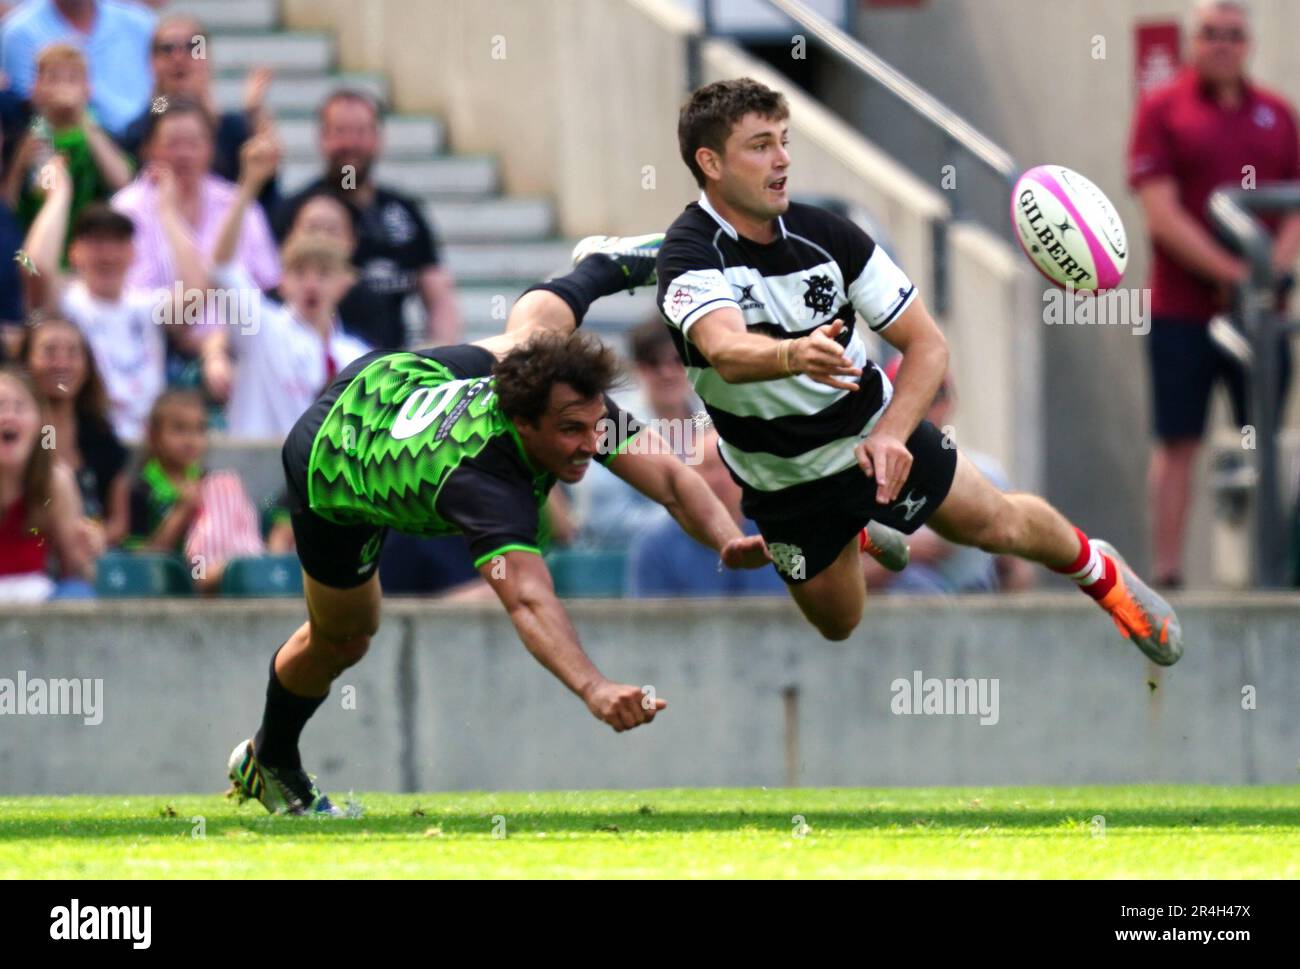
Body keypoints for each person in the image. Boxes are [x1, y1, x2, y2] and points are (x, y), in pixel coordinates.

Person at [639, 76, 1180, 661]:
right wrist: (794, 353)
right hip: (780, 482)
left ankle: (1104, 577)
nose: (783, 159)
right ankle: (864, 529)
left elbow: (928, 345)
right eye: (761, 145)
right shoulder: (689, 253)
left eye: (785, 141)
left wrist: (893, 435)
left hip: (866, 433)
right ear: (710, 162)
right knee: (839, 621)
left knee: (993, 523)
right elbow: (725, 350)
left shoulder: (830, 237)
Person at [226, 251, 770, 816]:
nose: (591, 443)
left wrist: (726, 538)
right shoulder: (484, 483)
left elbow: (674, 482)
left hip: (396, 378)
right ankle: (273, 758)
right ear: (523, 422)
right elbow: (529, 599)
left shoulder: (566, 399)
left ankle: (619, 261)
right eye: (571, 432)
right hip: (333, 455)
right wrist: (594, 686)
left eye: (595, 427)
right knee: (345, 636)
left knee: (534, 338)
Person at [1127, 0, 1300, 588]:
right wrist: (1233, 271)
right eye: (1210, 34)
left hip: (1263, 318)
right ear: (1192, 42)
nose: (1222, 44)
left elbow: (1295, 205)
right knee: (1178, 441)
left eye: (1233, 35)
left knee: (1267, 444)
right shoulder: (1162, 110)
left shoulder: (1277, 115)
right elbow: (1161, 213)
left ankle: (1270, 571)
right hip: (1182, 314)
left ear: (1247, 42)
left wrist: (1268, 272)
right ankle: (1168, 575)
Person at [199, 130, 369, 439]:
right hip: (257, 476)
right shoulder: (263, 327)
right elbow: (222, 265)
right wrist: (249, 185)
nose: (311, 284)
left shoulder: (355, 356)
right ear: (282, 280)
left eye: (323, 273)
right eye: (300, 272)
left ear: (345, 283)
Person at [22, 153, 203, 440]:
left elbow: (196, 294)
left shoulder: (147, 304)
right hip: (89, 440)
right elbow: (35, 267)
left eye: (117, 242)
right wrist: (60, 196)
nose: (106, 254)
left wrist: (167, 211)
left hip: (149, 448)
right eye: (95, 242)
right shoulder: (67, 302)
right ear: (75, 253)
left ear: (132, 253)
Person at [272, 89, 460, 350]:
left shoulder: (404, 211)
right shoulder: (296, 210)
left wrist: (440, 352)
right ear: (322, 138)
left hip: (390, 368)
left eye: (361, 132)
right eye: (340, 131)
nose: (351, 143)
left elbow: (438, 296)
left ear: (378, 138)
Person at [111, 98, 280, 368]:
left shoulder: (239, 205)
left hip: (237, 354)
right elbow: (134, 299)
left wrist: (218, 345)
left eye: (193, 143)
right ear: (150, 149)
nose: (183, 154)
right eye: (172, 144)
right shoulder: (127, 209)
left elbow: (264, 290)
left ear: (210, 149)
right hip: (153, 353)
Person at [863, 359, 1034, 595]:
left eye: (935, 396)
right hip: (896, 622)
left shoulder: (985, 474)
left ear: (950, 402)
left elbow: (1017, 572)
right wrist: (904, 554)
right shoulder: (867, 479)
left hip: (971, 612)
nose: (925, 407)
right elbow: (837, 588)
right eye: (908, 396)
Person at [116, 14, 278, 216]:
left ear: (207, 58)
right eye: (167, 49)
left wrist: (255, 112)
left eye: (194, 48)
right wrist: (172, 97)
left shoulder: (232, 126)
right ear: (152, 63)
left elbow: (267, 175)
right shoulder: (144, 125)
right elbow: (151, 121)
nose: (179, 57)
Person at [125, 388, 263, 592]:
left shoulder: (210, 482)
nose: (191, 439)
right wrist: (182, 511)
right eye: (179, 429)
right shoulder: (141, 489)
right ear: (153, 435)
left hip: (217, 577)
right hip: (165, 585)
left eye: (200, 429)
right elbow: (141, 560)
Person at [2, 42, 132, 256]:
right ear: (35, 88)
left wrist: (81, 116)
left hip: (91, 257)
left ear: (88, 89)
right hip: (34, 259)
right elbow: (8, 209)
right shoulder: (25, 138)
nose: (63, 86)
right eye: (53, 78)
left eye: (72, 79)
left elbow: (123, 182)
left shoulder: (102, 135)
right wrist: (20, 163)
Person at [628, 428, 785, 598]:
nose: (718, 478)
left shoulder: (779, 535)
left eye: (727, 466)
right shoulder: (656, 548)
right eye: (708, 466)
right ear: (688, 475)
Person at [18, 313, 128, 545]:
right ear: (25, 362)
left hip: (91, 559)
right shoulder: (12, 433)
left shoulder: (101, 435)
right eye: (49, 352)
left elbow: (119, 522)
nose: (62, 363)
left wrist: (97, 538)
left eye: (72, 353)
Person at [0, 364, 98, 602]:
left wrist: (87, 552)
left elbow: (76, 574)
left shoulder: (55, 481)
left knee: (78, 595)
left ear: (39, 423)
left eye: (20, 407)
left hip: (37, 601)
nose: (8, 416)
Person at [0, 0, 155, 138]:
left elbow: (164, 95)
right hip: (62, 135)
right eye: (54, 76)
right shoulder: (17, 32)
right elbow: (32, 116)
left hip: (147, 133)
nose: (177, 56)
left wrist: (156, 118)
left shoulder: (141, 22)